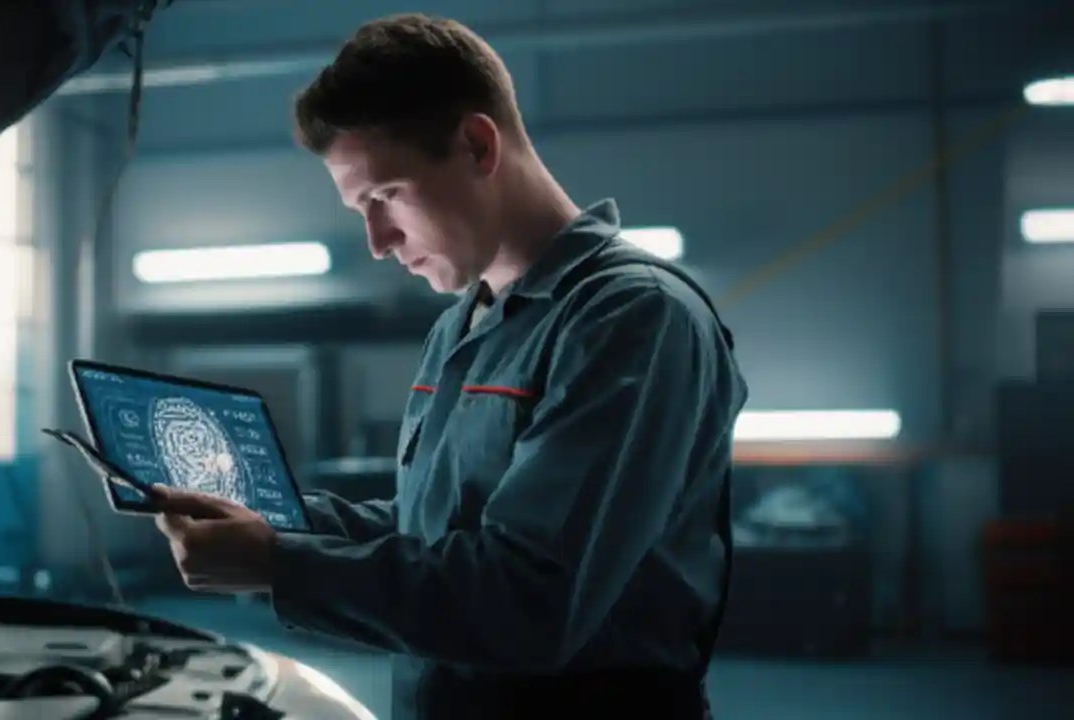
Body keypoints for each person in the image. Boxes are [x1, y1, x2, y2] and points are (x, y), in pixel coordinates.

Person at [150, 13, 749, 719]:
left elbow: (530, 600)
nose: (376, 242)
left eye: (385, 197)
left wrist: (280, 564)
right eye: (360, 211)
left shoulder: (633, 319)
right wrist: (277, 520)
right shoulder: (462, 325)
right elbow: (430, 532)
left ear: (475, 144)